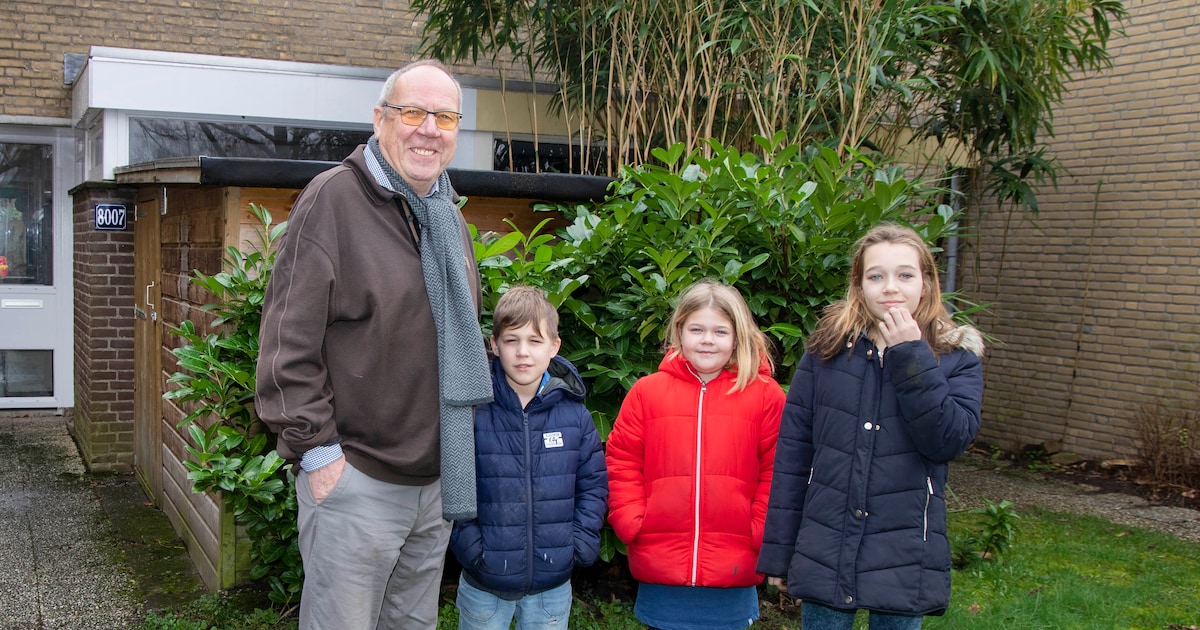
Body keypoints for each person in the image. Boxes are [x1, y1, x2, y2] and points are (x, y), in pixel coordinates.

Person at [255, 59, 493, 629]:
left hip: (437, 485)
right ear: (380, 119)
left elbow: (458, 339)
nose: (428, 130)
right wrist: (320, 455)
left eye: (444, 117)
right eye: (413, 112)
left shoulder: (446, 217)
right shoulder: (333, 200)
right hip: (357, 482)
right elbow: (286, 342)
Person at [757, 223, 985, 630]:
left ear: (926, 284)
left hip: (905, 550)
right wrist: (780, 551)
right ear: (859, 286)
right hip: (826, 545)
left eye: (905, 275)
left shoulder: (956, 357)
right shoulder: (826, 352)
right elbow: (794, 455)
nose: (890, 288)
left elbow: (947, 441)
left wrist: (910, 354)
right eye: (876, 276)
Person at [604, 280, 785, 630]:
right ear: (679, 331)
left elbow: (778, 471)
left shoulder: (766, 396)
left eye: (720, 331)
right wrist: (632, 520)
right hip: (661, 565)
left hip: (734, 567)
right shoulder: (646, 393)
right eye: (697, 329)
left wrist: (759, 530)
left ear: (738, 337)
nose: (707, 340)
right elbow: (622, 460)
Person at [449, 285, 608, 629]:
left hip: (552, 585)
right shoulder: (473, 411)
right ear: (494, 345)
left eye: (535, 341)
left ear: (554, 346)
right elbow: (455, 483)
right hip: (484, 583)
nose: (523, 352)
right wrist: (472, 550)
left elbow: (593, 485)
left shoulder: (575, 416)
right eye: (512, 340)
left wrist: (578, 545)